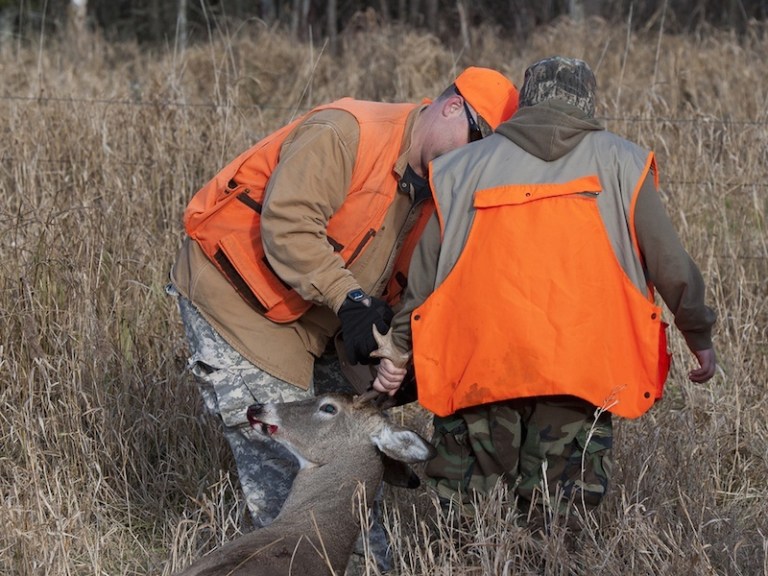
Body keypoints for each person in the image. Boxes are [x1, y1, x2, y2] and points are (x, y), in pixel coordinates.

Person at [167, 67, 519, 569]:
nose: (475, 160)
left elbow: (413, 292)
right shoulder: (347, 133)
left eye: (489, 155)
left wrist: (398, 355)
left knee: (354, 466)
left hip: (319, 321)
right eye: (476, 141)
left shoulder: (443, 194)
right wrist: (350, 300)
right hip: (240, 304)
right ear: (452, 107)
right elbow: (288, 226)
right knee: (290, 482)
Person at [371, 56, 717, 523]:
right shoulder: (623, 162)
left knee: (465, 522)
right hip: (579, 374)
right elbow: (672, 266)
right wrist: (698, 334)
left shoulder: (459, 169)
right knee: (559, 522)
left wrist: (398, 350)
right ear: (588, 103)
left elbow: (423, 281)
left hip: (478, 367)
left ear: (525, 100)